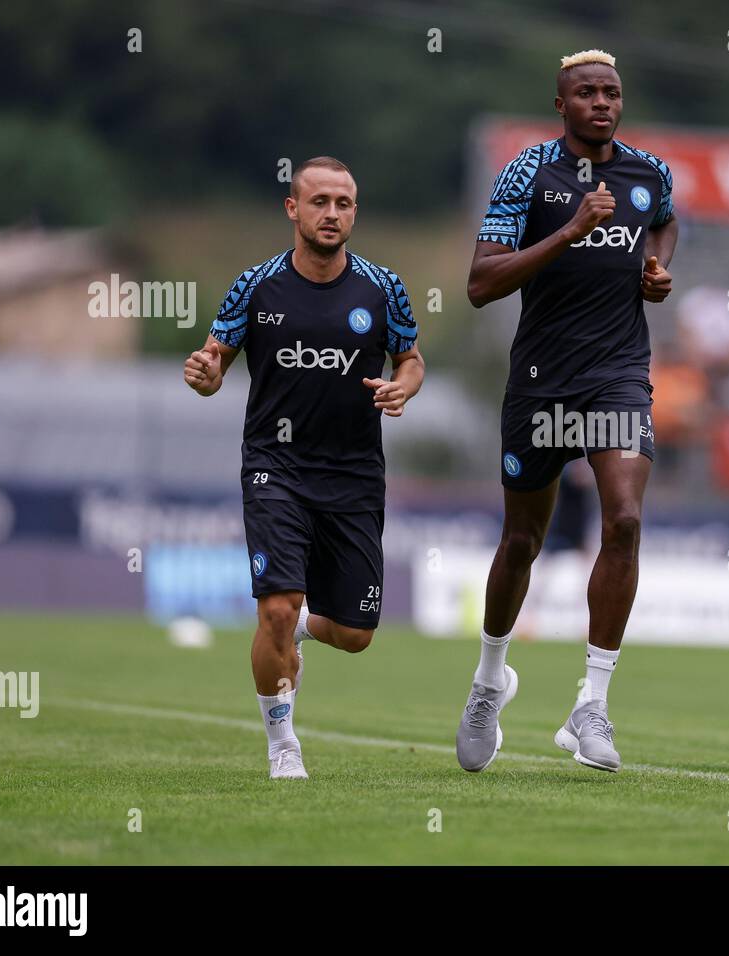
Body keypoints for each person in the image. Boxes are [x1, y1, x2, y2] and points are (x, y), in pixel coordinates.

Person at [456, 49, 678, 774]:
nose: (602, 103)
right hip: (541, 382)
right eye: (586, 93)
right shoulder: (529, 173)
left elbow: (665, 221)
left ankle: (592, 705)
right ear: (561, 104)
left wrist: (656, 266)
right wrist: (568, 232)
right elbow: (481, 283)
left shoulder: (649, 174)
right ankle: (491, 679)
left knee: (624, 520)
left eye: (612, 92)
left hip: (616, 377)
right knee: (523, 541)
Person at [183, 156, 424, 780]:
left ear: (354, 212)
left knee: (355, 633)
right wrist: (205, 374)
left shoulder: (383, 287)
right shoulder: (255, 286)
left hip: (353, 474)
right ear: (293, 208)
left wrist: (404, 387)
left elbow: (412, 359)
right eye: (319, 202)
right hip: (275, 467)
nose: (332, 213)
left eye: (343, 203)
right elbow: (213, 364)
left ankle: (302, 640)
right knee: (277, 609)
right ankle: (282, 740)